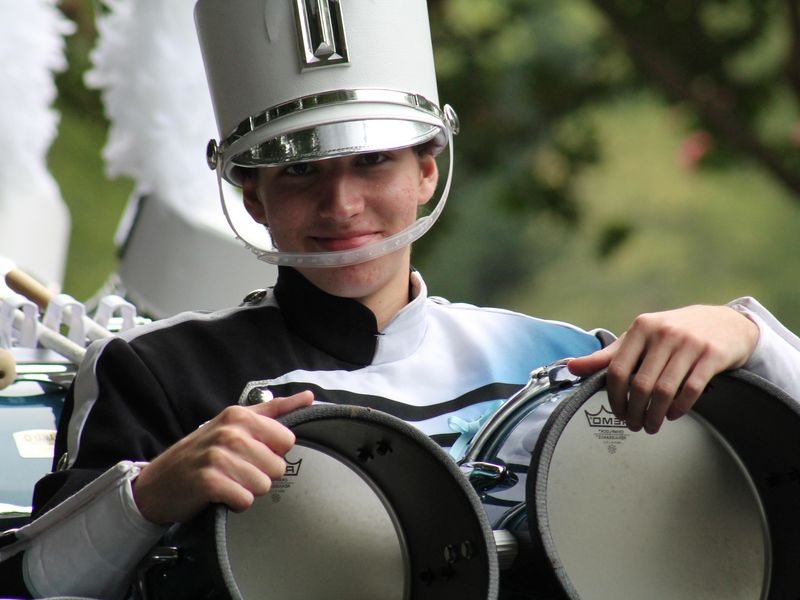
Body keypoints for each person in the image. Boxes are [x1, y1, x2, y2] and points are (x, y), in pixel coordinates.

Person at [3, 0, 800, 598]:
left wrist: (743, 335)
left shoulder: (555, 357)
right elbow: (35, 581)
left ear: (428, 168)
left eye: (373, 162)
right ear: (252, 196)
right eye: (300, 171)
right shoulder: (154, 369)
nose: (341, 205)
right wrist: (149, 494)